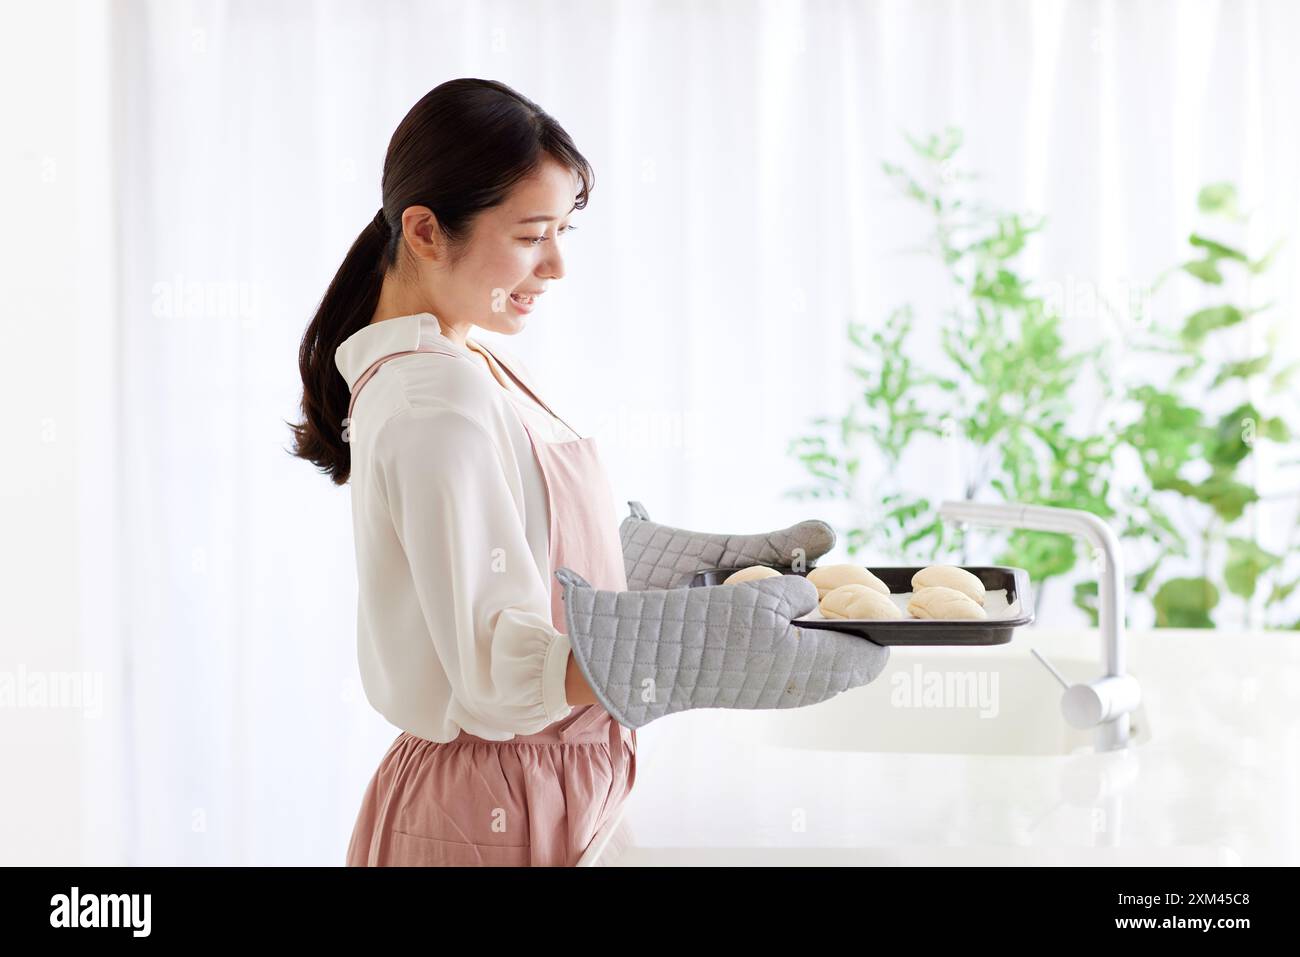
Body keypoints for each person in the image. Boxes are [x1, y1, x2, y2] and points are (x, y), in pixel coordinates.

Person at [290, 78, 631, 866]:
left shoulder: (469, 358)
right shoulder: (429, 391)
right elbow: (494, 674)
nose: (555, 266)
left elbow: (531, 548)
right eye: (530, 234)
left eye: (564, 230)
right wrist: (673, 660)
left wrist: (666, 567)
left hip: (539, 791)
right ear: (425, 230)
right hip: (490, 809)